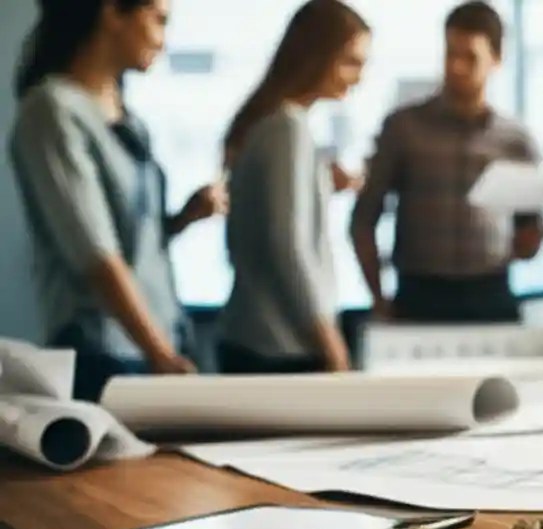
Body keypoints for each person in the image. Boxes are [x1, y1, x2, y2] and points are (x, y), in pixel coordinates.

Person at [9, 0, 226, 403]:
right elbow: (95, 254)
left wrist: (183, 218)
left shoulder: (128, 118)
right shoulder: (52, 109)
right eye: (158, 20)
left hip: (158, 340)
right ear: (112, 13)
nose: (163, 40)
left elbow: (133, 244)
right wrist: (160, 355)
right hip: (107, 353)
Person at [351, 1, 542, 325]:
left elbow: (529, 238)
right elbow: (363, 219)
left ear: (496, 59)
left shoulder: (517, 141)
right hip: (420, 295)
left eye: (470, 57)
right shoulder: (403, 128)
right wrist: (378, 298)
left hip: (491, 294)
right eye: (450, 53)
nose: (456, 67)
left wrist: (535, 233)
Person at [218, 0, 370, 375]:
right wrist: (330, 340)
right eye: (350, 62)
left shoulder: (270, 123)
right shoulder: (288, 127)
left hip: (256, 337)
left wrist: (320, 184)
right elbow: (288, 246)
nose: (358, 78)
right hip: (283, 346)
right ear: (316, 56)